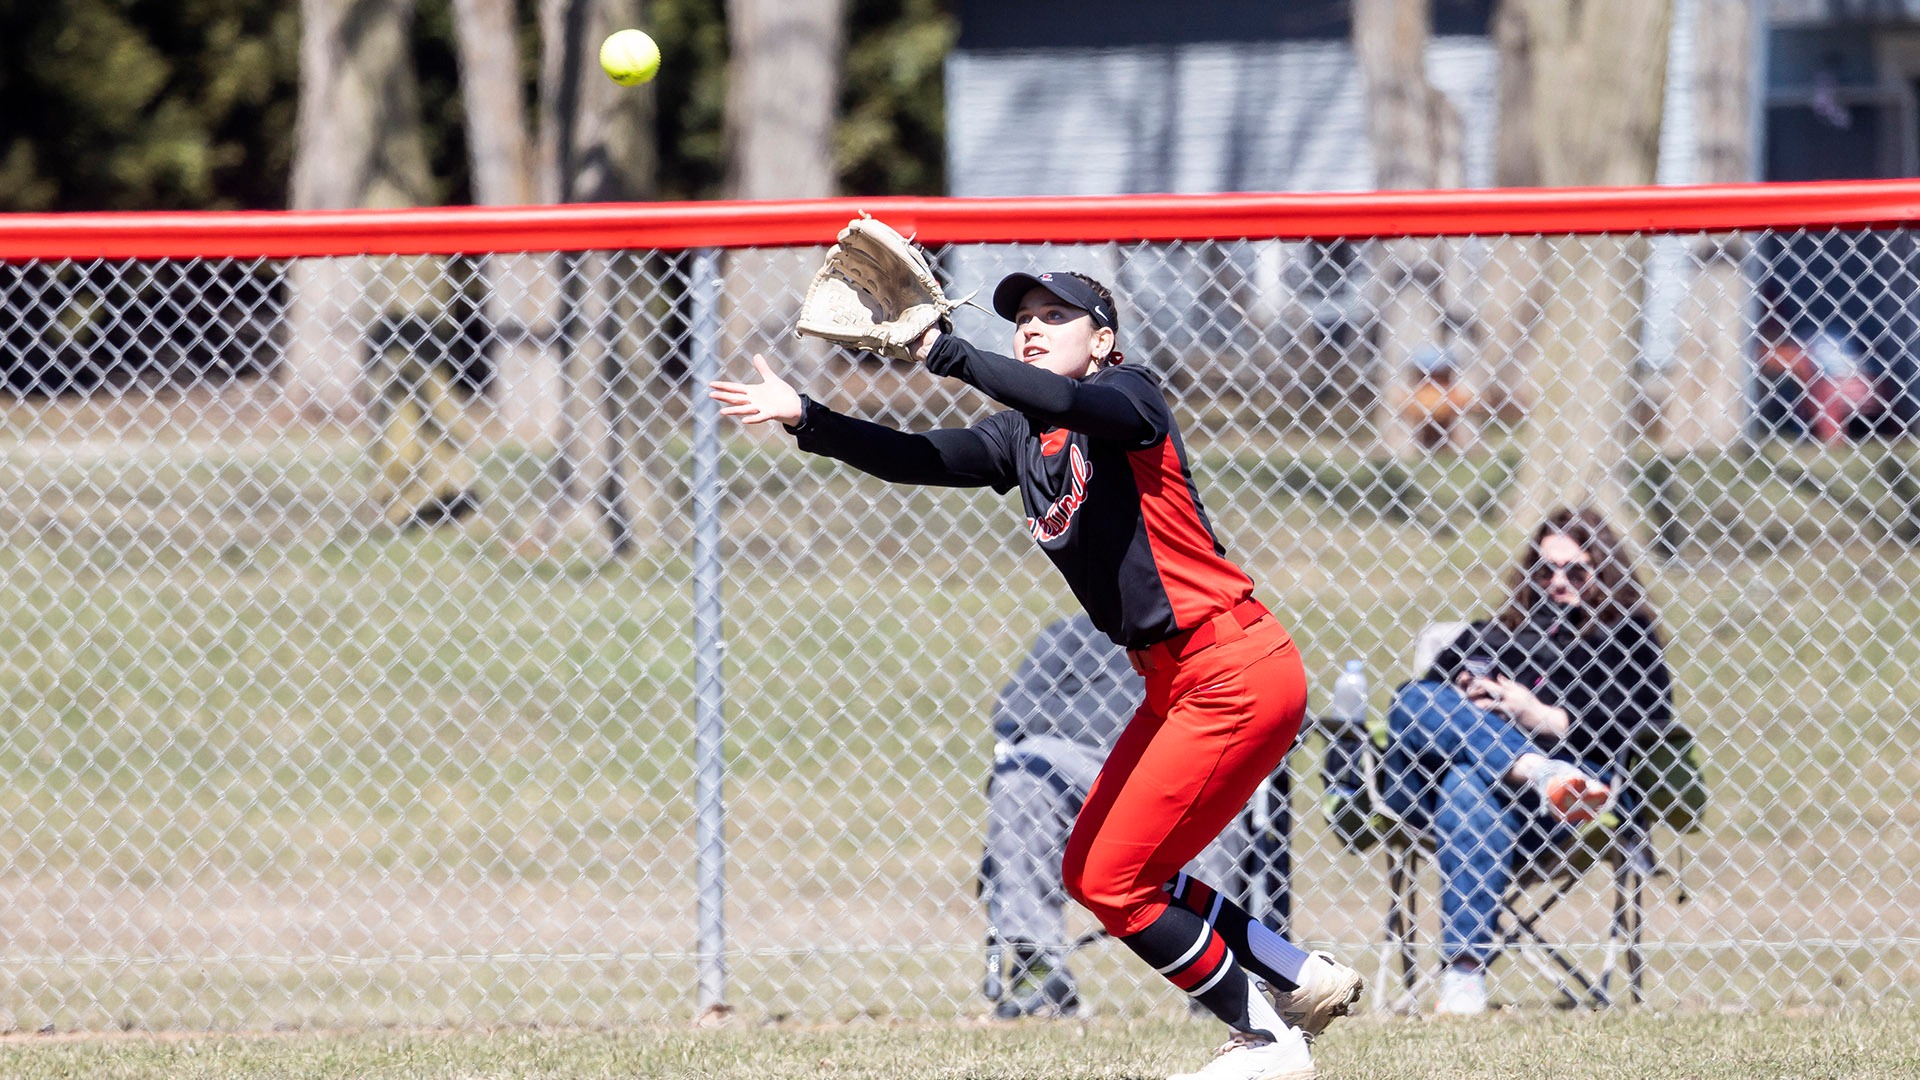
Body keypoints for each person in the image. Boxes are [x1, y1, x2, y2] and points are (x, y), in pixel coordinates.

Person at [710, 269, 1360, 1079]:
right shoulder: (1024, 438)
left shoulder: (1132, 399)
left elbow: (1075, 404)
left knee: (1120, 881)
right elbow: (919, 457)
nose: (1031, 326)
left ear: (1104, 341)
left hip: (1232, 666)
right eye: (1021, 317)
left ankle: (1266, 1036)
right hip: (1173, 683)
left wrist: (943, 351)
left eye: (1057, 315)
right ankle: (1296, 975)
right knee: (1094, 869)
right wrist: (810, 419)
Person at [1380, 506, 1674, 1016]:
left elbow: (1651, 715)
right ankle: (1534, 769)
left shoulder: (1627, 638)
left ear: (1605, 570)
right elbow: (1418, 699)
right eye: (1546, 570)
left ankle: (1465, 974)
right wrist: (1471, 696)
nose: (1558, 582)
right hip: (1490, 791)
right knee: (1416, 705)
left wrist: (1542, 716)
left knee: (1467, 785)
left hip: (1563, 808)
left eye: (1576, 570)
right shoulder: (1499, 631)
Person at [982, 613, 1292, 1022]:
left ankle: (1218, 975)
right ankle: (1036, 964)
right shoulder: (1073, 634)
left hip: (1181, 763)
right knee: (1022, 775)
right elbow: (1015, 709)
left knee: (1216, 794)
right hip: (1086, 763)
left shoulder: (1219, 631)